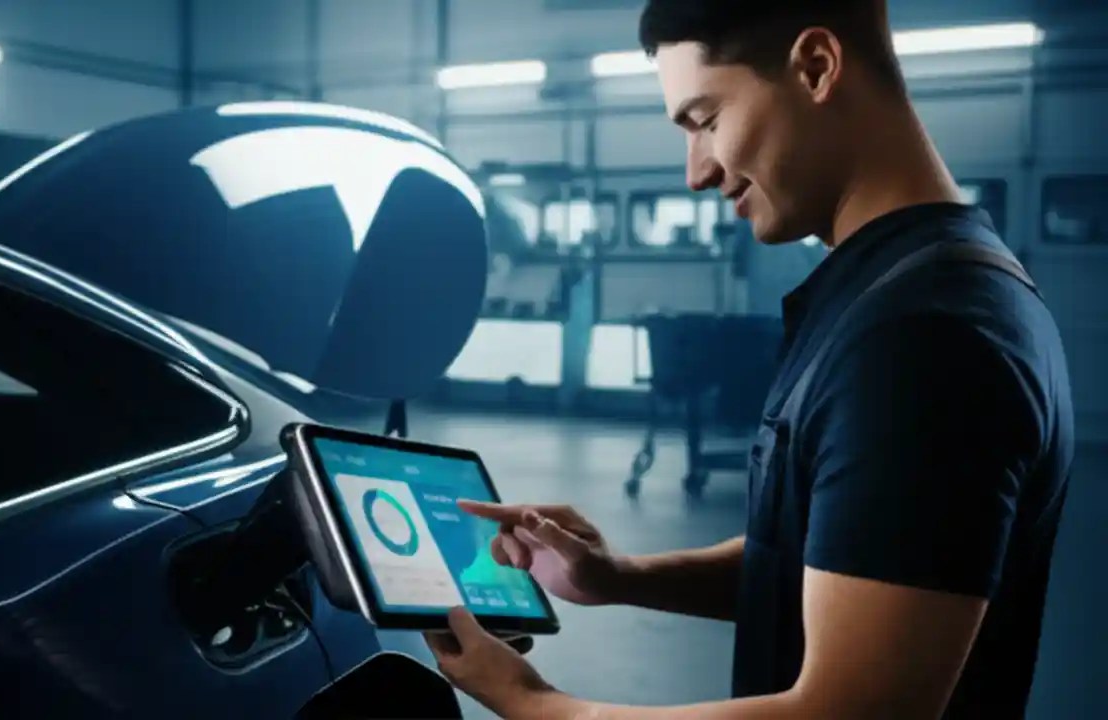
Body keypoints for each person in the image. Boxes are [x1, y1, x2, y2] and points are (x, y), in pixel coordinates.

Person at [423, 1, 1075, 718]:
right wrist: (621, 576)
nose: (698, 173)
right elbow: (844, 562)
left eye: (705, 121)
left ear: (816, 68)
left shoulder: (922, 337)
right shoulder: (902, 288)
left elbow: (849, 712)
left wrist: (533, 704)